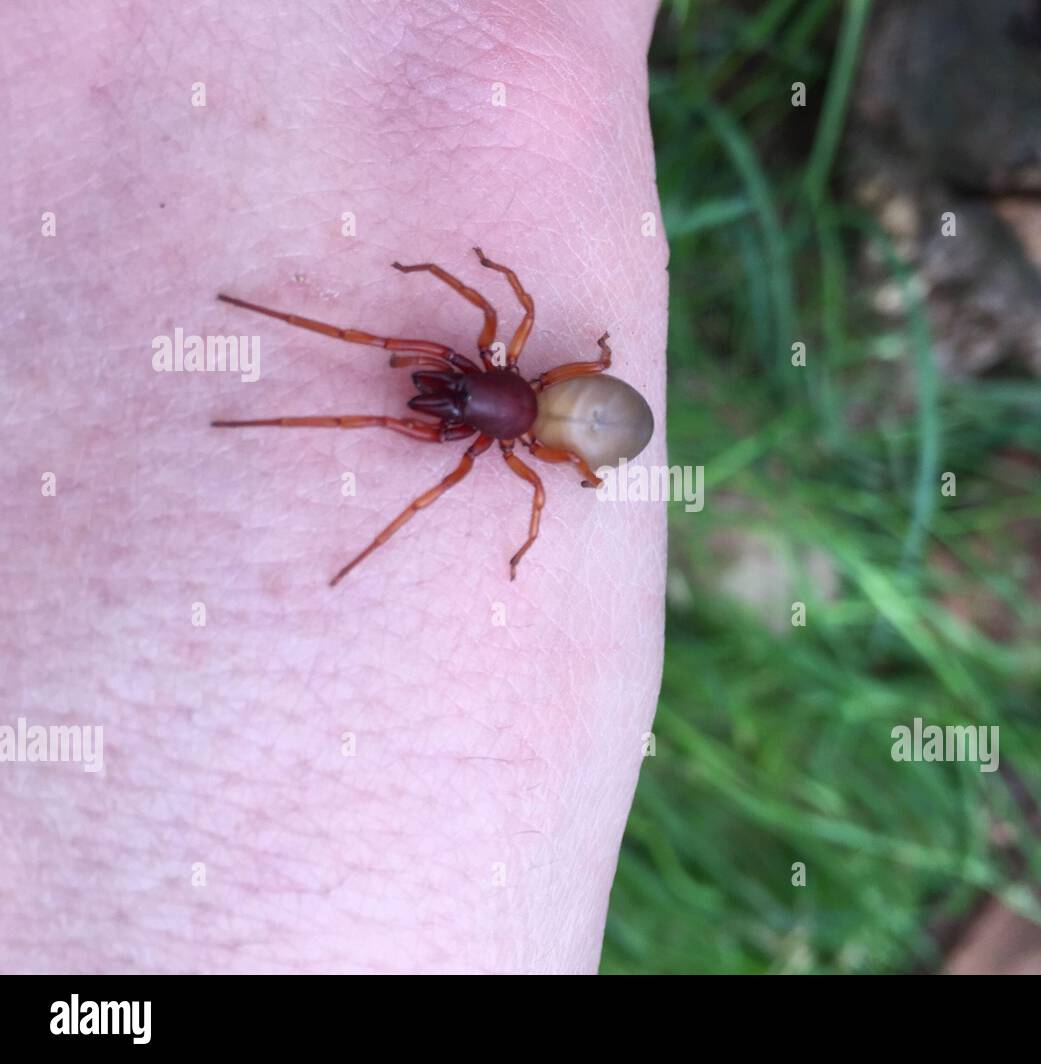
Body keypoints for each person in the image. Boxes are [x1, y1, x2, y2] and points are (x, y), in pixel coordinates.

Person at [1, 0, 668, 973]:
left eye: (453, 395)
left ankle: (268, 390)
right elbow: (500, 303)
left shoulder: (513, 419)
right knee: (390, 377)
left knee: (371, 414)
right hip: (554, 410)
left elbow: (513, 397)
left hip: (574, 418)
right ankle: (263, 327)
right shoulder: (505, 390)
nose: (438, 395)